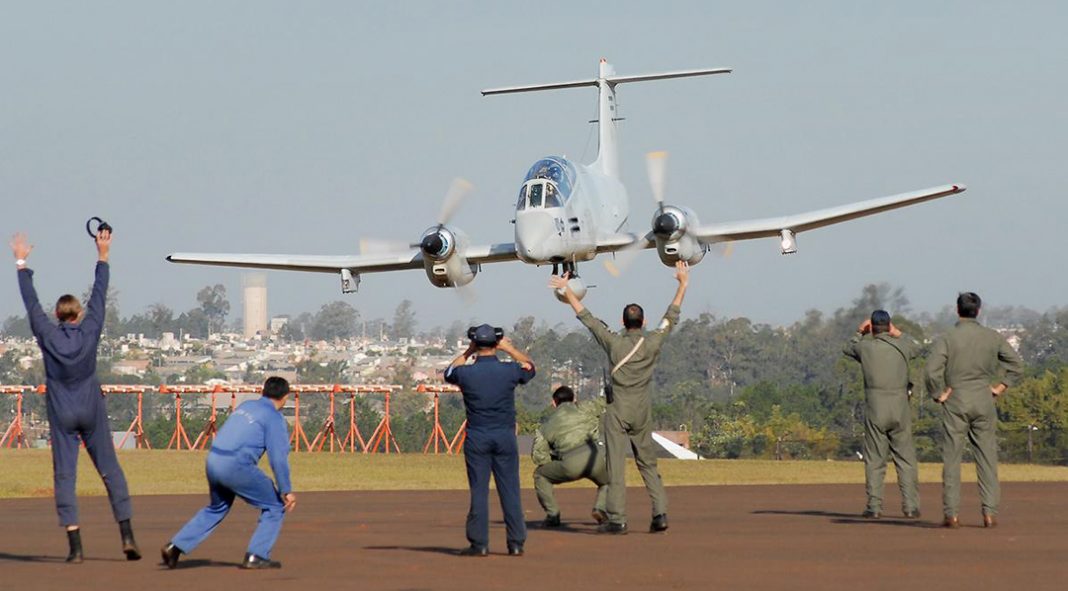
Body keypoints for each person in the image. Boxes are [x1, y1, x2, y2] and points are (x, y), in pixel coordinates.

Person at [11, 230, 141, 563]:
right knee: (110, 469)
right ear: (78, 315)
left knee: (65, 475)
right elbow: (100, 295)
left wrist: (21, 261)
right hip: (90, 406)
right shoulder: (89, 330)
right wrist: (103, 255)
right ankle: (126, 534)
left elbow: (31, 303)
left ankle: (75, 547)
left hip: (61, 410)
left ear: (57, 316)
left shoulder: (47, 333)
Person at [549, 260, 690, 534]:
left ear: (623, 322)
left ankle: (618, 518)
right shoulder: (652, 341)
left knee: (615, 465)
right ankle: (660, 513)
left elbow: (587, 319)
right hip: (642, 409)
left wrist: (567, 291)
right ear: (644, 322)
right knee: (648, 463)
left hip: (618, 409)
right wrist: (683, 284)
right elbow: (671, 317)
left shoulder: (614, 342)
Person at [161, 376, 297, 569]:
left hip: (214, 460)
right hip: (236, 465)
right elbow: (278, 458)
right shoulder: (274, 418)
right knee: (275, 506)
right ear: (285, 397)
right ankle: (256, 555)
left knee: (217, 507)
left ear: (263, 392)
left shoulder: (247, 406)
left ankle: (175, 547)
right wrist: (286, 489)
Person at [925, 292, 1024, 529]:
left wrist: (938, 393)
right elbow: (1017, 365)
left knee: (952, 458)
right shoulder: (992, 337)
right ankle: (989, 513)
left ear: (957, 310)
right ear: (978, 310)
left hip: (956, 400)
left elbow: (930, 371)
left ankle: (952, 514)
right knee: (987, 457)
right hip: (983, 398)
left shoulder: (948, 338)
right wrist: (1000, 387)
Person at [444, 325, 535, 556]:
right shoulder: (509, 371)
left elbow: (448, 373)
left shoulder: (465, 373)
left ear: (476, 344)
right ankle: (516, 543)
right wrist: (509, 348)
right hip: (504, 435)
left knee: (479, 491)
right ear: (496, 344)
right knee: (510, 490)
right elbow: (531, 368)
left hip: (478, 435)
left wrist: (467, 352)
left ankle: (479, 543)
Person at [842, 310, 921, 519]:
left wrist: (860, 331)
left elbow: (847, 348)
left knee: (875, 460)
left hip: (876, 407)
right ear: (889, 326)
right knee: (905, 459)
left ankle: (874, 507)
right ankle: (911, 506)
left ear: (872, 328)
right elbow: (918, 347)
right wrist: (897, 333)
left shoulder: (866, 347)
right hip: (900, 406)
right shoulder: (902, 346)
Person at [531, 385, 609, 527]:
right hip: (594, 457)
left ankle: (552, 514)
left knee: (539, 475)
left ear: (554, 403)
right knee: (608, 482)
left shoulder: (547, 424)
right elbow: (604, 401)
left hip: (569, 463)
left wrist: (554, 459)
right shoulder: (586, 407)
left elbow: (539, 457)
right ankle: (600, 508)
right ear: (574, 399)